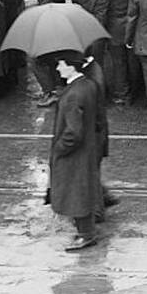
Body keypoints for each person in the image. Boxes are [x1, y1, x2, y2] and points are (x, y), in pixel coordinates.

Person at [45, 50, 104, 250]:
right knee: (82, 190)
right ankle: (86, 231)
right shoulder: (88, 85)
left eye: (61, 64)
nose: (58, 68)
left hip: (74, 154)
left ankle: (86, 234)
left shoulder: (73, 95)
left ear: (71, 66)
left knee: (75, 193)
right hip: (89, 147)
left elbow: (73, 132)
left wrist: (59, 149)